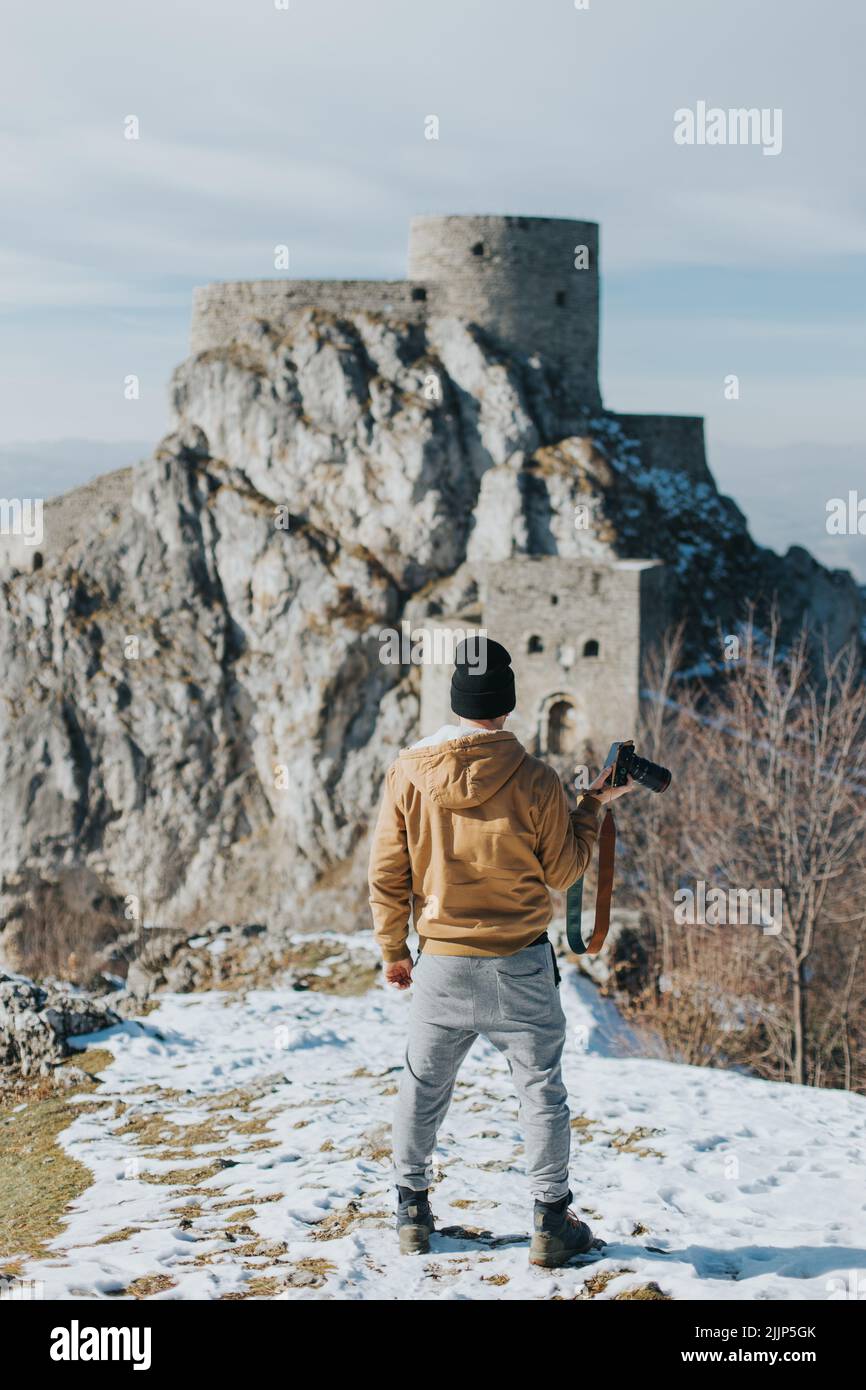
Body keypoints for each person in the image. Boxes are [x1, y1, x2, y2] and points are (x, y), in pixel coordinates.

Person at [368, 636, 637, 1265]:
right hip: (519, 963)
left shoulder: (408, 772)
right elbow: (565, 873)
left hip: (441, 962)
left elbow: (387, 872)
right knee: (540, 1090)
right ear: (508, 705)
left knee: (422, 1087)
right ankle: (550, 1222)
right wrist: (592, 806)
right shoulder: (537, 779)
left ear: (456, 702)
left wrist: (393, 948)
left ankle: (411, 1213)